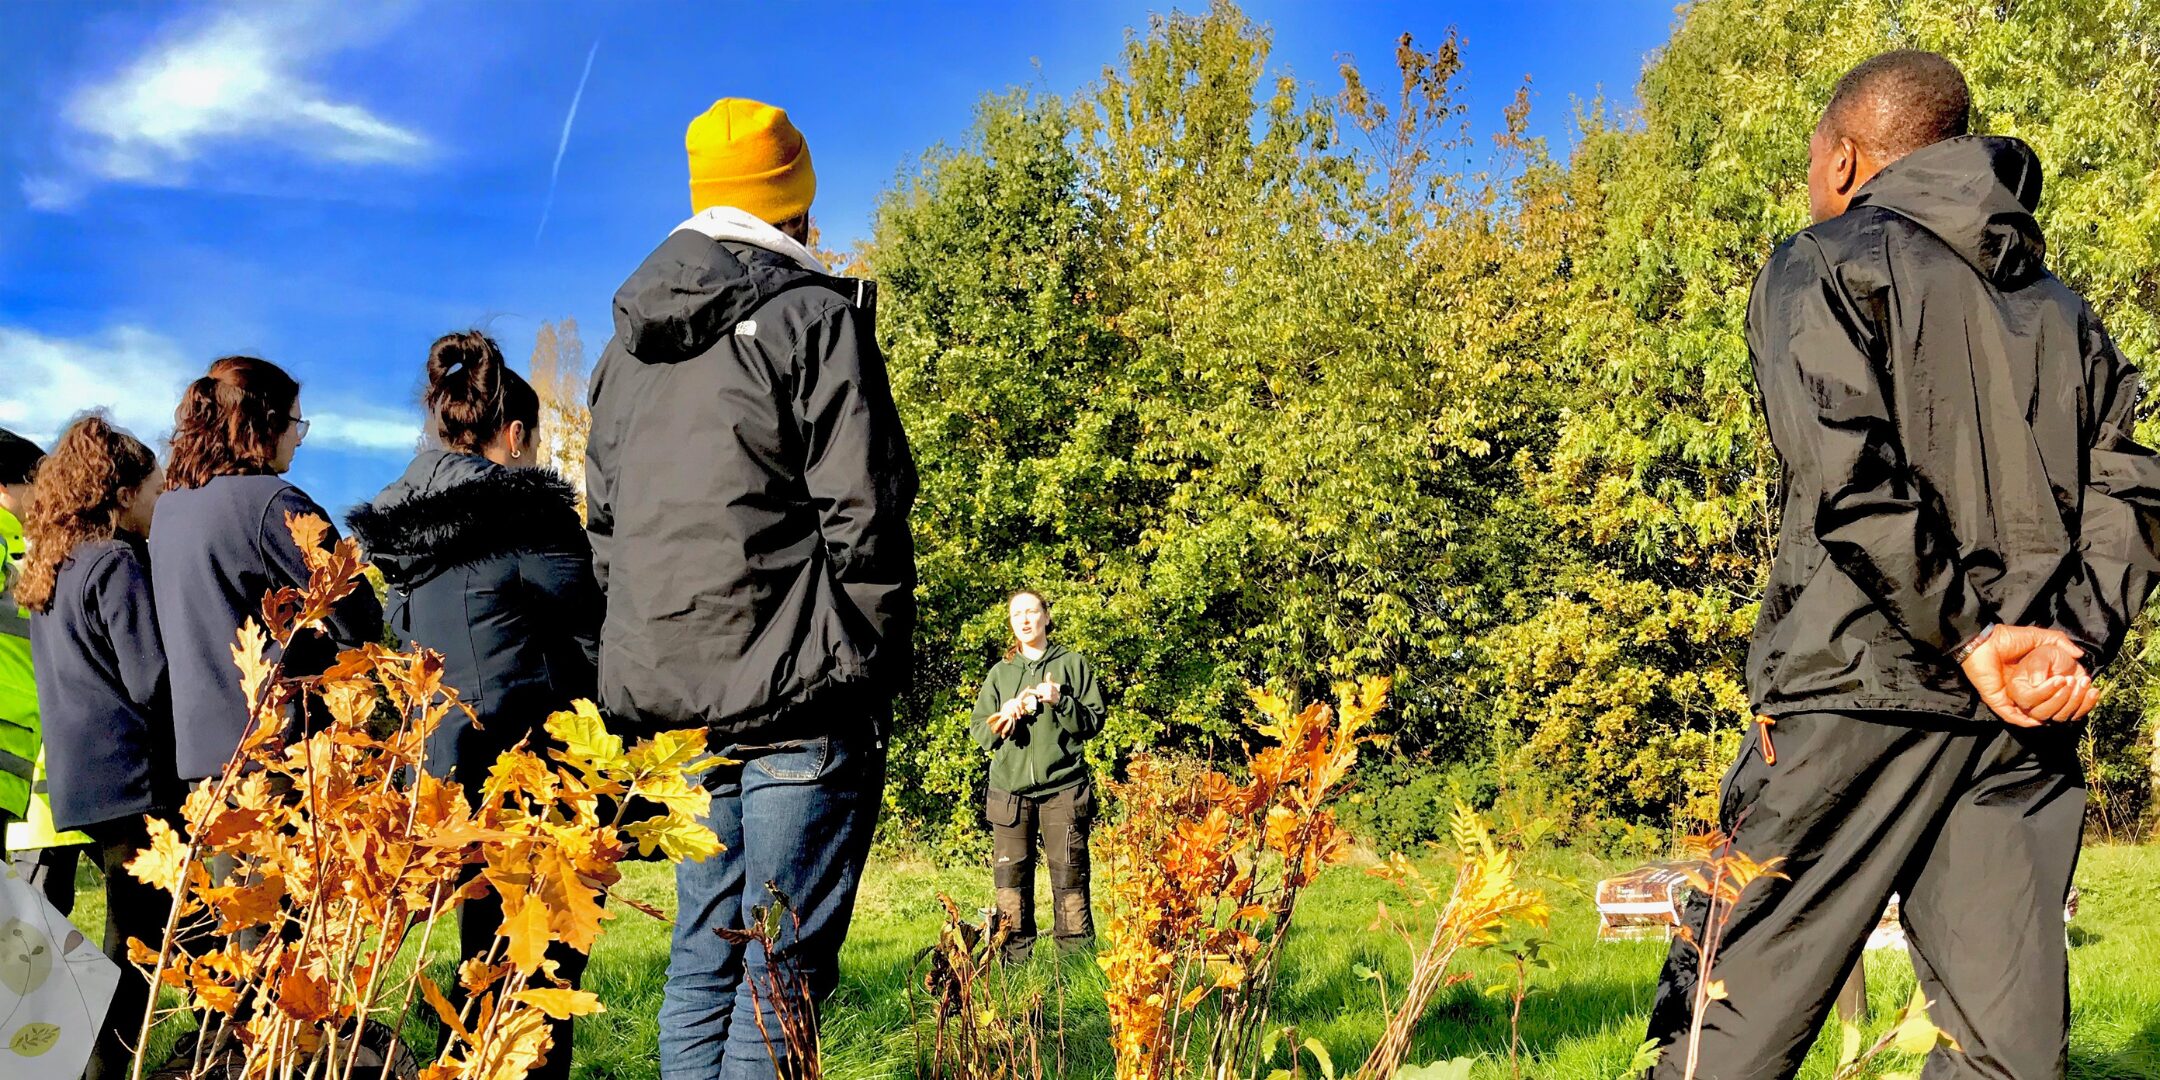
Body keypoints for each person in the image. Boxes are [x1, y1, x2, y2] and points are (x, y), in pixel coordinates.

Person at [1641, 51, 2160, 1080]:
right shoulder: (2062, 310)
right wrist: (2065, 643)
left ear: (1842, 158)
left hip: (1855, 689)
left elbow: (1848, 478)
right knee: (2005, 1054)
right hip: (2016, 726)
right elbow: (2134, 485)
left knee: (1726, 1023)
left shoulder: (1823, 263)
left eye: (1812, 162)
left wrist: (1972, 638)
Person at [586, 97, 916, 1079]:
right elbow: (866, 514)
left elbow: (607, 537)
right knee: (781, 973)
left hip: (677, 712)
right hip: (799, 697)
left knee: (702, 961)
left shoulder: (623, 357)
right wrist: (868, 665)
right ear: (794, 204)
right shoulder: (814, 320)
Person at [345, 330, 600, 1080]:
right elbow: (594, 627)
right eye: (536, 441)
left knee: (480, 969)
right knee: (538, 980)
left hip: (441, 776)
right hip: (528, 771)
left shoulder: (401, 533)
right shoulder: (528, 517)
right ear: (515, 435)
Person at [15, 414, 181, 1080]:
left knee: (133, 929)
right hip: (135, 777)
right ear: (121, 492)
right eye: (156, 490)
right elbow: (151, 678)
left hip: (81, 781)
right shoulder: (115, 561)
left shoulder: (50, 569)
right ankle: (101, 1067)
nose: (161, 503)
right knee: (138, 946)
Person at [151, 356, 383, 784]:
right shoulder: (273, 504)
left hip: (203, 761)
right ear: (266, 423)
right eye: (296, 423)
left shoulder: (168, 511)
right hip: (278, 752)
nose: (299, 438)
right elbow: (360, 616)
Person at [969, 589, 1104, 964]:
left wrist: (1061, 701)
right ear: (1012, 623)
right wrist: (1005, 716)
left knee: (1070, 879)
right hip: (1010, 794)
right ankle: (1013, 966)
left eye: (1031, 612)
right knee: (1010, 884)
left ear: (1046, 616)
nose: (1025, 620)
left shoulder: (1072, 664)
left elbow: (1092, 722)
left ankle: (1076, 965)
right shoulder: (1001, 673)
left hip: (1064, 790)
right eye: (1017, 615)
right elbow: (981, 732)